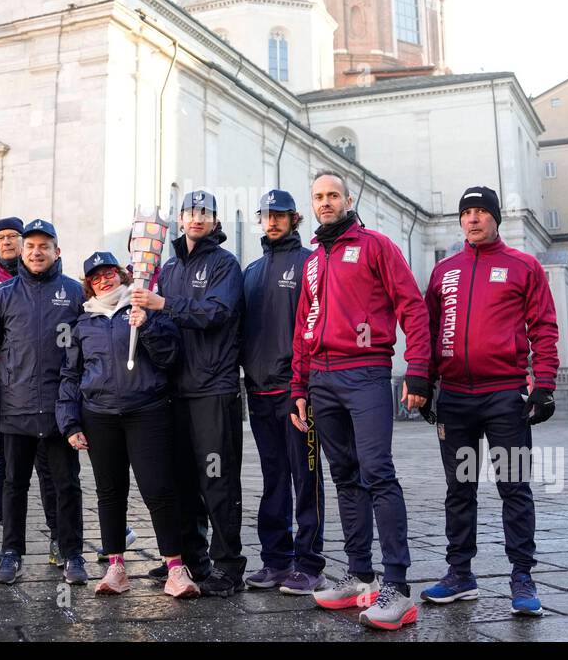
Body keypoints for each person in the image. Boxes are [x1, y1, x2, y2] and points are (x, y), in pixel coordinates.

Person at [291, 172, 431, 631]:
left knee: (378, 473)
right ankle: (359, 576)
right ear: (311, 205)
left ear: (348, 201)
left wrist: (419, 369)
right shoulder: (313, 260)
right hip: (321, 380)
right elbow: (303, 327)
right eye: (318, 197)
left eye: (333, 195)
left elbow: (411, 306)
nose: (325, 203)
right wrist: (299, 387)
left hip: (367, 373)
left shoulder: (375, 246)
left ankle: (398, 588)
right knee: (345, 476)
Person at [420, 186, 559, 617]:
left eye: (481, 212)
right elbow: (426, 328)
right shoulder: (445, 271)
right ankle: (459, 574)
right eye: (467, 213)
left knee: (513, 488)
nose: (474, 219)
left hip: (504, 398)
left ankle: (522, 577)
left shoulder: (524, 266)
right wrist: (424, 381)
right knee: (459, 489)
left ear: (496, 218)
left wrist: (545, 384)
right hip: (457, 399)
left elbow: (545, 326)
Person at [57, 252, 200, 599]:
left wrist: (147, 325)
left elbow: (169, 357)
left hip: (146, 411)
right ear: (89, 285)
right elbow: (71, 375)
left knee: (158, 490)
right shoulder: (83, 323)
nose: (104, 280)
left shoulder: (144, 308)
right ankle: (115, 566)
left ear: (122, 275)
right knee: (109, 492)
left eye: (109, 273)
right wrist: (70, 421)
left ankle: (176, 569)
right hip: (99, 414)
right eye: (96, 277)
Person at [131, 189, 246, 597]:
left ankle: (229, 567)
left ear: (215, 221)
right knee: (181, 481)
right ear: (179, 219)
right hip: (174, 390)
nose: (197, 218)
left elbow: (217, 312)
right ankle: (191, 561)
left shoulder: (224, 264)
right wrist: (144, 318)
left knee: (217, 478)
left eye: (205, 213)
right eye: (190, 212)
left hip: (213, 389)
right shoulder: (169, 266)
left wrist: (163, 303)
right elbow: (165, 325)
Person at [0, 219, 87, 586]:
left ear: (57, 251)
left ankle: (71, 553)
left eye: (44, 246)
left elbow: (90, 345)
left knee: (66, 484)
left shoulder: (74, 293)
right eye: (31, 246)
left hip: (60, 407)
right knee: (13, 483)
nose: (37, 253)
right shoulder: (2, 294)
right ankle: (11, 552)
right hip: (15, 404)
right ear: (22, 251)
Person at [240, 190, 326, 595]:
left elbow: (317, 324)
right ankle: (276, 560)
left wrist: (304, 384)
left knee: (305, 477)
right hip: (258, 392)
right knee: (273, 479)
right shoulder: (251, 271)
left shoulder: (311, 262)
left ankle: (309, 565)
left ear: (294, 219)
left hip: (297, 393)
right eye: (266, 215)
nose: (272, 222)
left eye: (279, 215)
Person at [0, 216, 61, 566]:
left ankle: (62, 540)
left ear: (56, 251)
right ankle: (11, 543)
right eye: (3, 238)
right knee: (11, 473)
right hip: (9, 395)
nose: (9, 243)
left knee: (55, 475)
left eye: (15, 236)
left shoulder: (69, 291)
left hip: (54, 401)